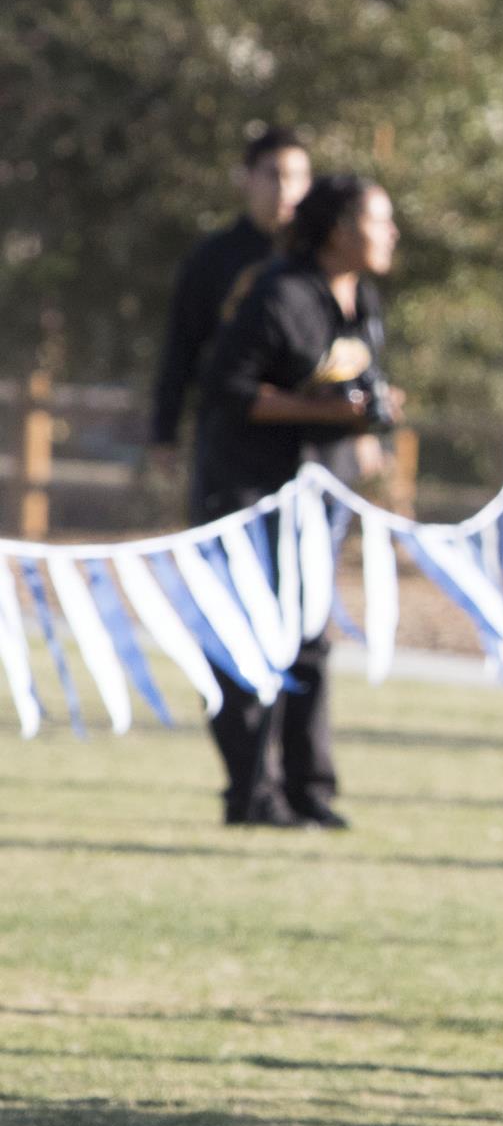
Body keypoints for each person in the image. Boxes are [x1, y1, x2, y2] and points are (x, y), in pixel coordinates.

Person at [198, 174, 403, 829]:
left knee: (310, 639)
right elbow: (230, 390)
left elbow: (351, 386)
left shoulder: (361, 299)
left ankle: (310, 789)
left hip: (318, 496)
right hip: (249, 494)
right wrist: (326, 411)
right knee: (250, 639)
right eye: (379, 221)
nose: (392, 233)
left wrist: (368, 420)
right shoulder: (278, 294)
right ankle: (253, 794)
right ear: (340, 231)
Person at [150, 128, 312, 487]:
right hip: (229, 438)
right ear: (247, 179)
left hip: (307, 444)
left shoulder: (316, 262)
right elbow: (182, 345)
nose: (285, 189)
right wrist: (165, 432)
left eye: (298, 177)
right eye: (274, 175)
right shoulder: (213, 258)